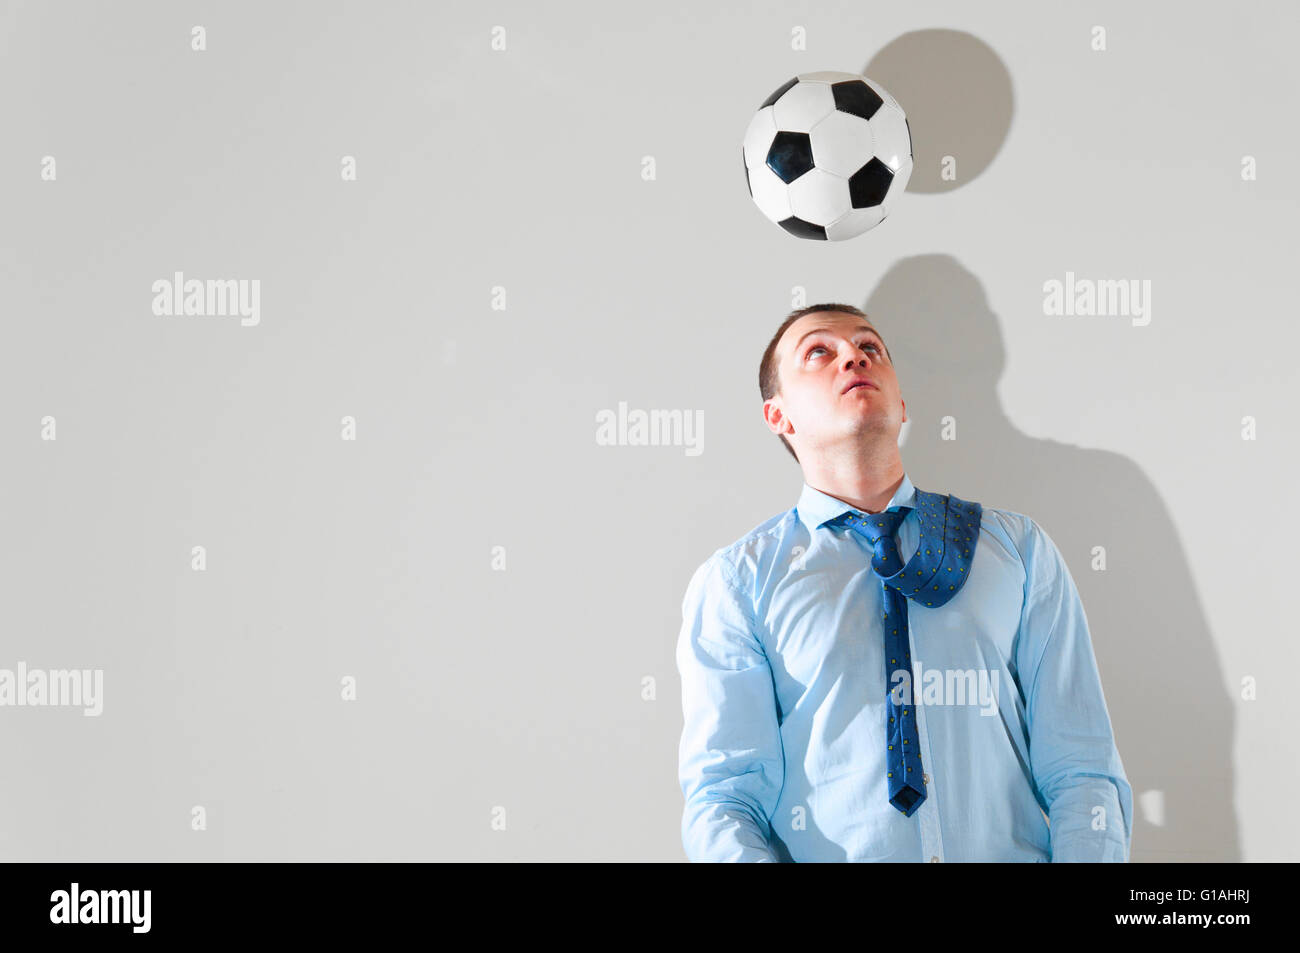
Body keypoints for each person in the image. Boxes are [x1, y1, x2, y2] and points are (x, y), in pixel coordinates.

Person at [675, 303, 1132, 862]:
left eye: (872, 349)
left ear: (902, 404)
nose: (853, 356)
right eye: (819, 351)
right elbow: (725, 796)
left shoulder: (1016, 550)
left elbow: (1082, 768)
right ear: (779, 416)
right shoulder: (738, 584)